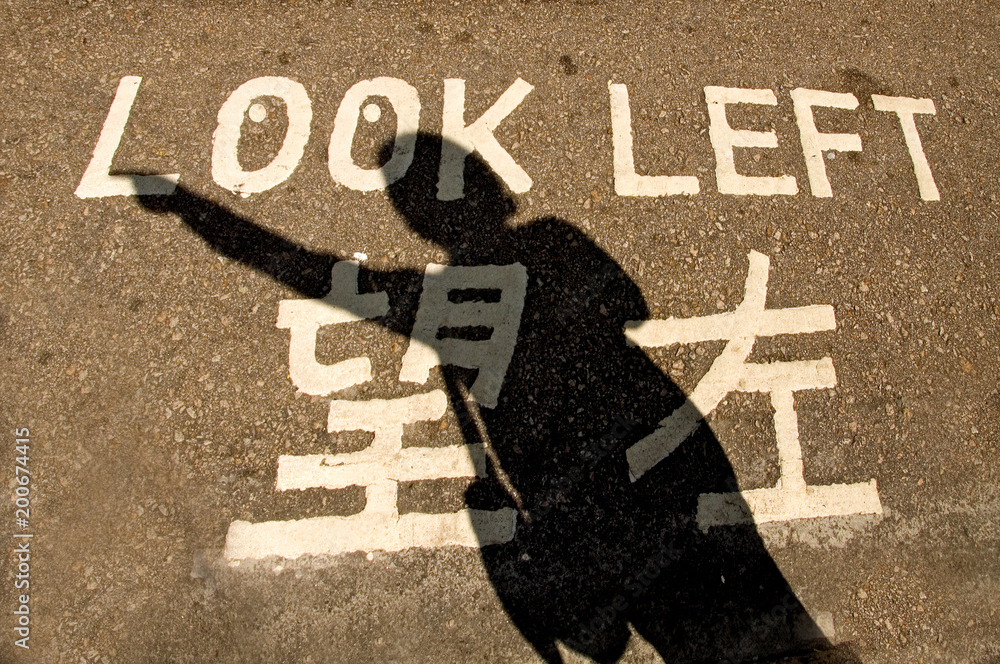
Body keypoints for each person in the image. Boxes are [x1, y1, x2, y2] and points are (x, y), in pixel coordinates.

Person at [138, 132, 854, 663]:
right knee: (767, 615)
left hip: (592, 503)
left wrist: (190, 211)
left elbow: (307, 271)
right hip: (673, 453)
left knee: (692, 637)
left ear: (419, 224)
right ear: (489, 188)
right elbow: (633, 309)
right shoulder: (554, 239)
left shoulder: (437, 302)